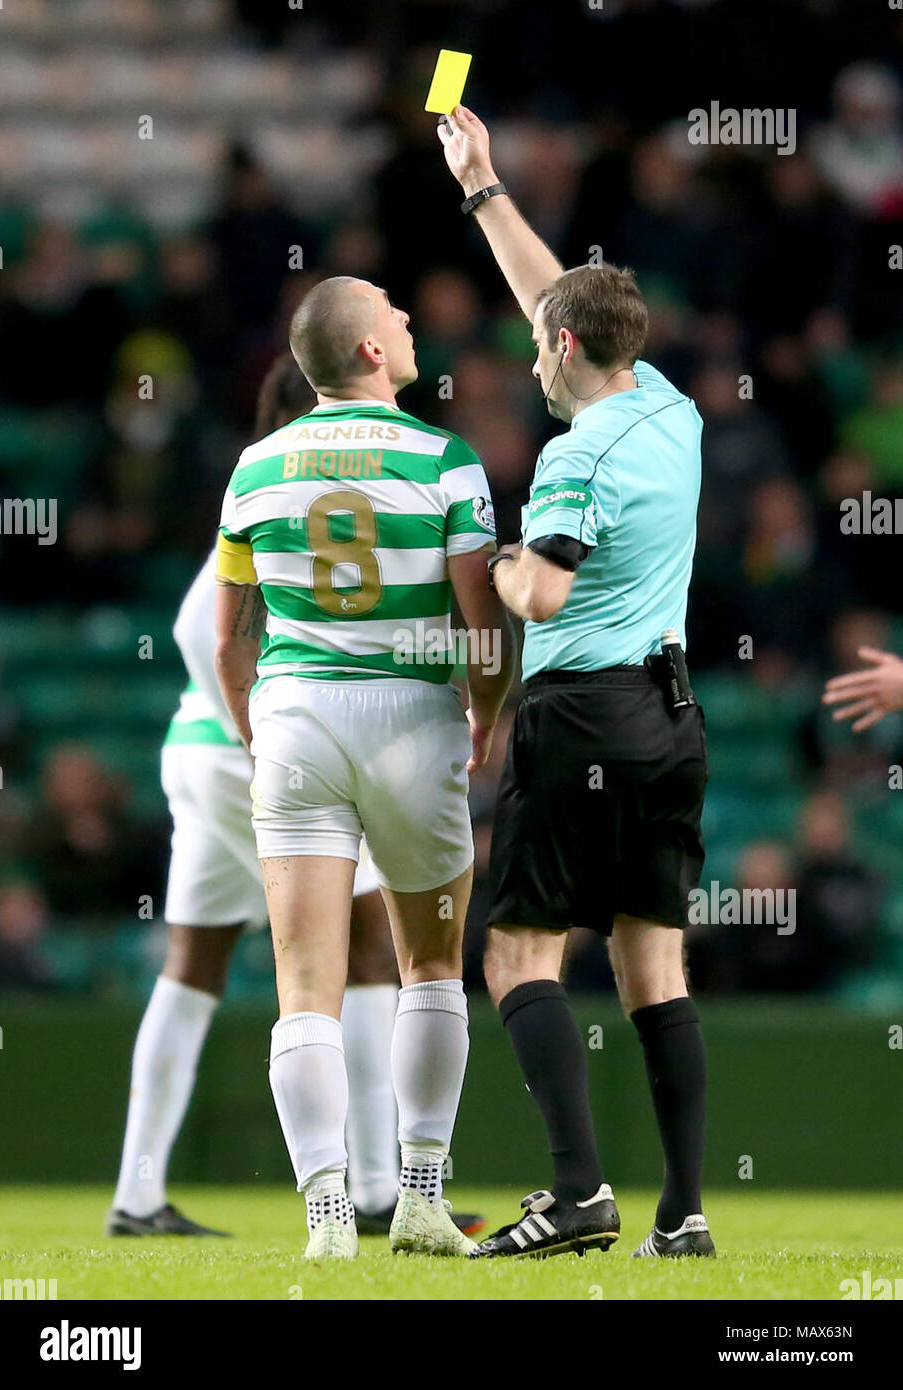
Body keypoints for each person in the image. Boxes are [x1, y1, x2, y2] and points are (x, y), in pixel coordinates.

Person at [108, 357, 484, 1239]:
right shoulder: (284, 486)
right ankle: (378, 1188)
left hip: (204, 751)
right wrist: (253, 726)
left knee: (193, 965)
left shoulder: (263, 492)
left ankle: (136, 1191)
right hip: (257, 753)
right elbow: (198, 625)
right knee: (361, 952)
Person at [437, 106, 713, 1259]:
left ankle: (576, 1191)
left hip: (579, 709)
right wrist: (483, 188)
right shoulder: (669, 409)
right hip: (671, 715)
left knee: (517, 954)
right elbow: (561, 309)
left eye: (542, 343)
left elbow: (538, 597)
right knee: (652, 959)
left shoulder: (571, 455)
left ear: (556, 353)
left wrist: (492, 558)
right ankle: (684, 1210)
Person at [215, 278, 514, 1259]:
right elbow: (483, 622)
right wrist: (486, 718)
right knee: (431, 966)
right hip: (412, 719)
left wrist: (256, 733)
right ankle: (422, 1196)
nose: (411, 318)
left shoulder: (256, 467)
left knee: (305, 981)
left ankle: (327, 1218)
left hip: (297, 716)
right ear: (373, 354)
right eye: (394, 312)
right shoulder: (447, 459)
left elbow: (230, 642)